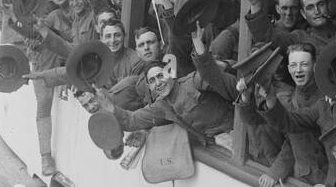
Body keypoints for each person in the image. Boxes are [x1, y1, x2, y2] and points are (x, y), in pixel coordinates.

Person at [96, 22, 235, 140]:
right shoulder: (161, 105)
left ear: (169, 73)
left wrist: (221, 63)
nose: (158, 83)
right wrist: (110, 108)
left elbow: (213, 75)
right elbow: (132, 120)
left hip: (234, 129)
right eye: (152, 81)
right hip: (212, 142)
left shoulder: (192, 81)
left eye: (160, 76)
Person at [257, 43, 329, 187]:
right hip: (303, 181)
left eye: (304, 64)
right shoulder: (291, 99)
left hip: (329, 181)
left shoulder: (327, 96)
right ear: (289, 68)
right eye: (294, 65)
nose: (298, 70)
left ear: (315, 66)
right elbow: (293, 141)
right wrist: (275, 172)